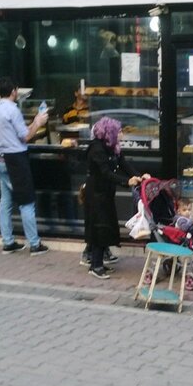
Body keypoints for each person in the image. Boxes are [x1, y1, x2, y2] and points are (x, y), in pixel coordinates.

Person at [0, 77, 50, 254]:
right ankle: (34, 244)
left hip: (0, 160)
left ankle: (8, 242)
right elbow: (25, 136)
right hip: (16, 160)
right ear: (14, 91)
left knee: (5, 202)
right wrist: (38, 122)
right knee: (27, 202)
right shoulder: (13, 110)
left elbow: (12, 134)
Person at [83, 117, 146, 280]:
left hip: (106, 192)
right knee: (99, 226)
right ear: (109, 133)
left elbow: (124, 165)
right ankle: (95, 265)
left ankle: (99, 262)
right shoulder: (96, 149)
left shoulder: (113, 147)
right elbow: (105, 173)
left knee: (106, 225)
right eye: (119, 131)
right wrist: (126, 181)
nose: (122, 134)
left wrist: (139, 177)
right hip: (96, 193)